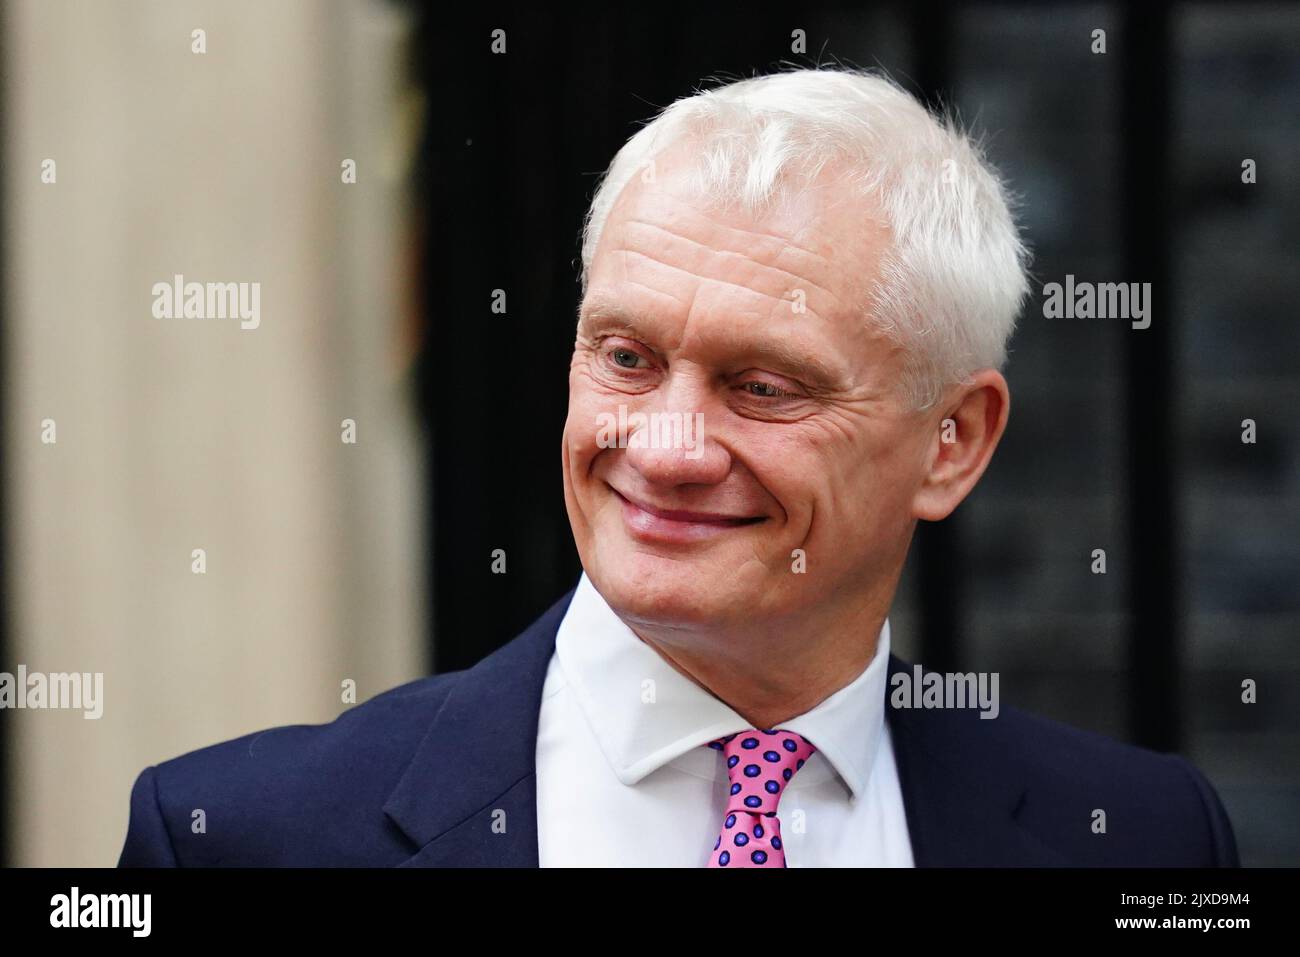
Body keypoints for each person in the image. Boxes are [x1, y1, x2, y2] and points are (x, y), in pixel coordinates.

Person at [118, 68, 1238, 867]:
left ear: (951, 443)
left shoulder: (1142, 839)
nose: (664, 447)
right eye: (625, 357)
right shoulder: (243, 837)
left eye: (763, 387)